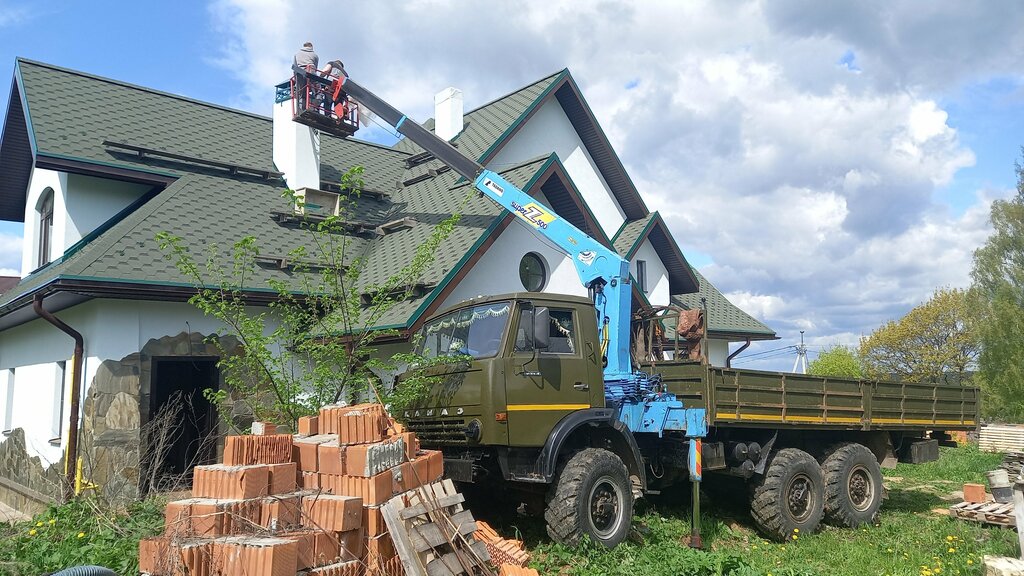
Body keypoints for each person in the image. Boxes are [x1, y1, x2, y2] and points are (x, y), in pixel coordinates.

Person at [291, 42, 319, 111]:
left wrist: (295, 78)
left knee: (302, 93)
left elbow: (295, 67)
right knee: (318, 91)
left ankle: (301, 109)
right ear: (311, 47)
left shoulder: (296, 55)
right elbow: (315, 68)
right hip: (311, 73)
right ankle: (315, 107)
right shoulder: (315, 55)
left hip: (300, 74)